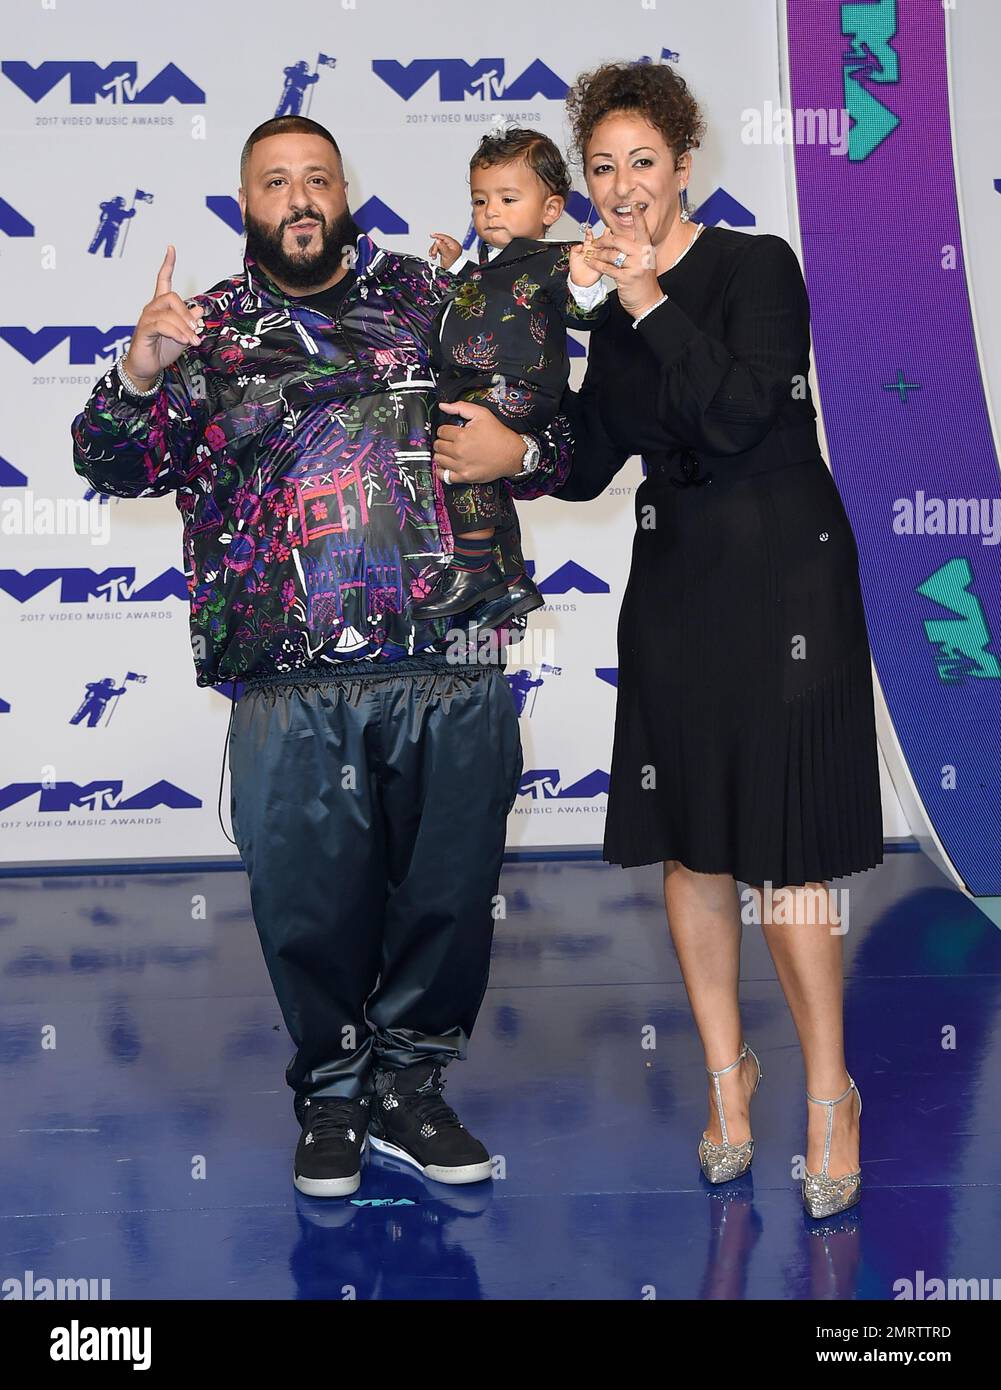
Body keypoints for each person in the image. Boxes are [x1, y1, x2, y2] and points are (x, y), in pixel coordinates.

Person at [70, 114, 572, 1199]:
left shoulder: (434, 299)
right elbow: (110, 461)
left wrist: (521, 448)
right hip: (288, 678)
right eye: (272, 184)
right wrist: (141, 367)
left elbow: (555, 434)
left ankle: (411, 1089)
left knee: (447, 892)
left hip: (455, 650)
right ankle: (335, 1092)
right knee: (310, 906)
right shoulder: (202, 328)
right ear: (244, 204)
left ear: (345, 192)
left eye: (316, 179)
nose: (297, 199)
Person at [431, 61, 884, 1221]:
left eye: (641, 163)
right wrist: (504, 430)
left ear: (682, 164)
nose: (621, 187)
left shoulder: (750, 265)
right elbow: (588, 453)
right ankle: (728, 1082)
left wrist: (639, 300)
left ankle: (828, 1092)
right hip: (675, 578)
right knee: (693, 844)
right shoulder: (596, 295)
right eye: (599, 169)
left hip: (784, 575)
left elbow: (740, 413)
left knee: (787, 850)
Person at [412, 125, 609, 624]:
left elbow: (586, 313)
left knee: (464, 452)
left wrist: (586, 282)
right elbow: (474, 303)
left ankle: (474, 567)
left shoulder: (556, 257)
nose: (489, 211)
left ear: (549, 209)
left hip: (518, 387)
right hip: (475, 387)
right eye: (480, 201)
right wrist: (458, 269)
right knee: (484, 471)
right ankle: (512, 581)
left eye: (506, 198)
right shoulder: (485, 265)